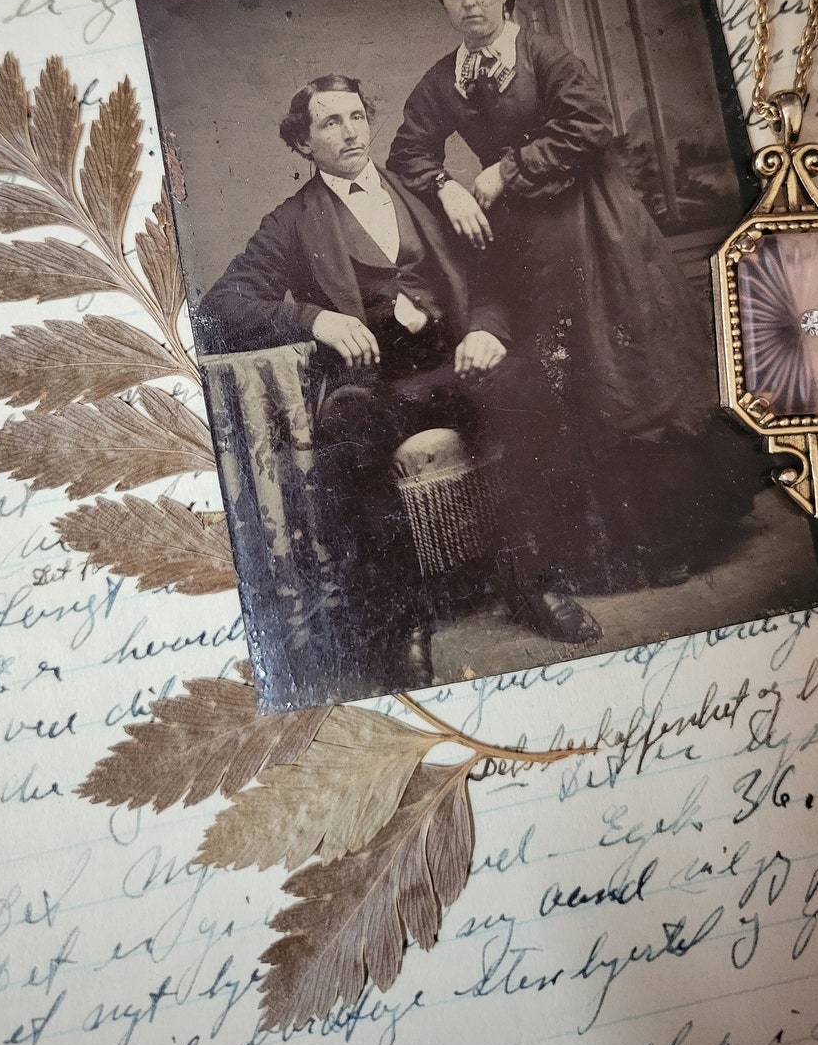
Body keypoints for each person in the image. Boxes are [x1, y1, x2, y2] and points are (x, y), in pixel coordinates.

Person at [197, 74, 602, 691]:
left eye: (357, 116)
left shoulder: (422, 190)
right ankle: (403, 624)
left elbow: (488, 277)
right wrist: (314, 319)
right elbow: (220, 309)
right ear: (303, 143)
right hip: (373, 381)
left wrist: (485, 329)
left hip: (453, 361)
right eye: (330, 122)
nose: (349, 132)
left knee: (526, 391)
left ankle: (534, 586)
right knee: (349, 437)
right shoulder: (290, 223)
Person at [387, 0, 758, 587]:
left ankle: (676, 537)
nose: (470, 2)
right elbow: (408, 152)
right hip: (527, 250)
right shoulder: (447, 79)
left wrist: (506, 171)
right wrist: (447, 186)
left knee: (625, 371)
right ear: (442, 0)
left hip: (597, 232)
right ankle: (611, 548)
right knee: (575, 380)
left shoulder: (542, 54)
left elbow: (590, 125)